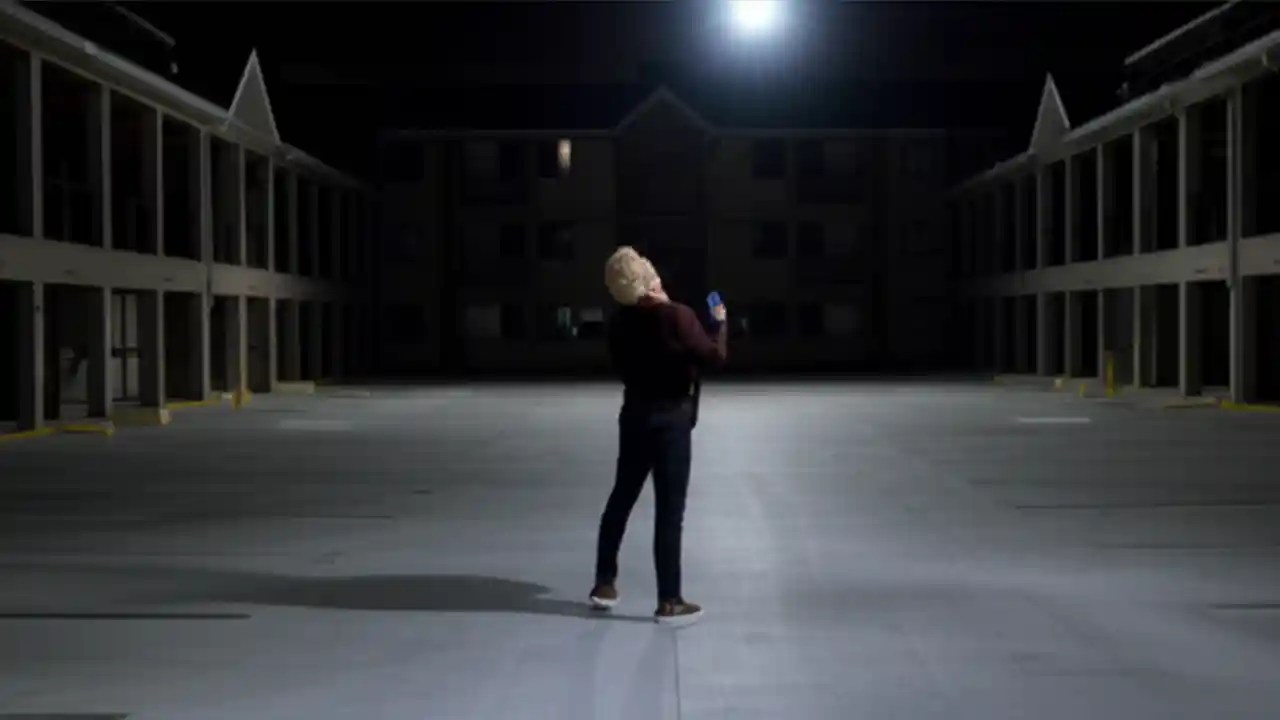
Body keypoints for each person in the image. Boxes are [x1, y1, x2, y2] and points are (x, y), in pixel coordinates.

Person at [589, 246, 728, 625]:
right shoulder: (678, 316)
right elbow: (713, 358)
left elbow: (620, 366)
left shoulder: (619, 322)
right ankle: (669, 600)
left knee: (621, 498)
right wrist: (718, 323)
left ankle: (604, 583)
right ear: (650, 280)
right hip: (671, 421)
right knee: (669, 512)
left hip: (634, 416)